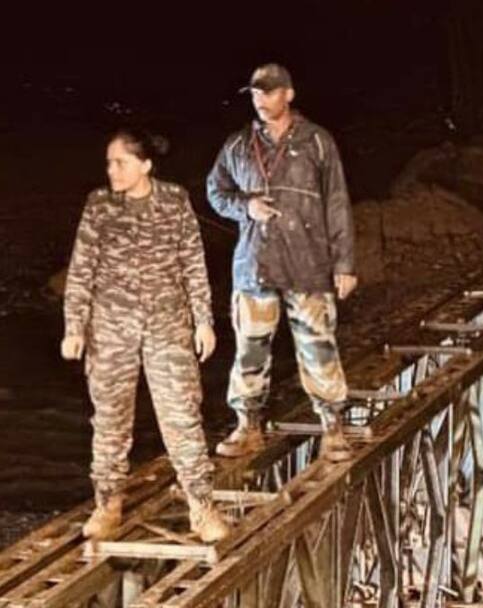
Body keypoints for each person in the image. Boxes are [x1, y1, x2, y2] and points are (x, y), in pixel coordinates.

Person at [62, 130, 229, 542]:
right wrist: (74, 326)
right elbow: (81, 269)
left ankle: (200, 506)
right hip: (110, 329)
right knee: (110, 420)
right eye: (108, 163)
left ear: (145, 164)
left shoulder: (173, 201)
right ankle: (108, 504)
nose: (111, 170)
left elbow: (193, 261)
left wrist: (203, 321)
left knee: (181, 415)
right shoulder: (99, 206)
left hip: (167, 326)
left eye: (119, 162)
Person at [207, 63, 357, 463]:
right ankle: (247, 426)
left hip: (308, 264)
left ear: (288, 94)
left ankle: (333, 427)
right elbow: (214, 191)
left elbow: (338, 203)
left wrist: (344, 263)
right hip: (255, 265)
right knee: (250, 350)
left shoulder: (317, 142)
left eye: (268, 92)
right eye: (255, 93)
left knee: (318, 347)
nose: (261, 100)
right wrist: (246, 206)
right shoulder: (239, 145)